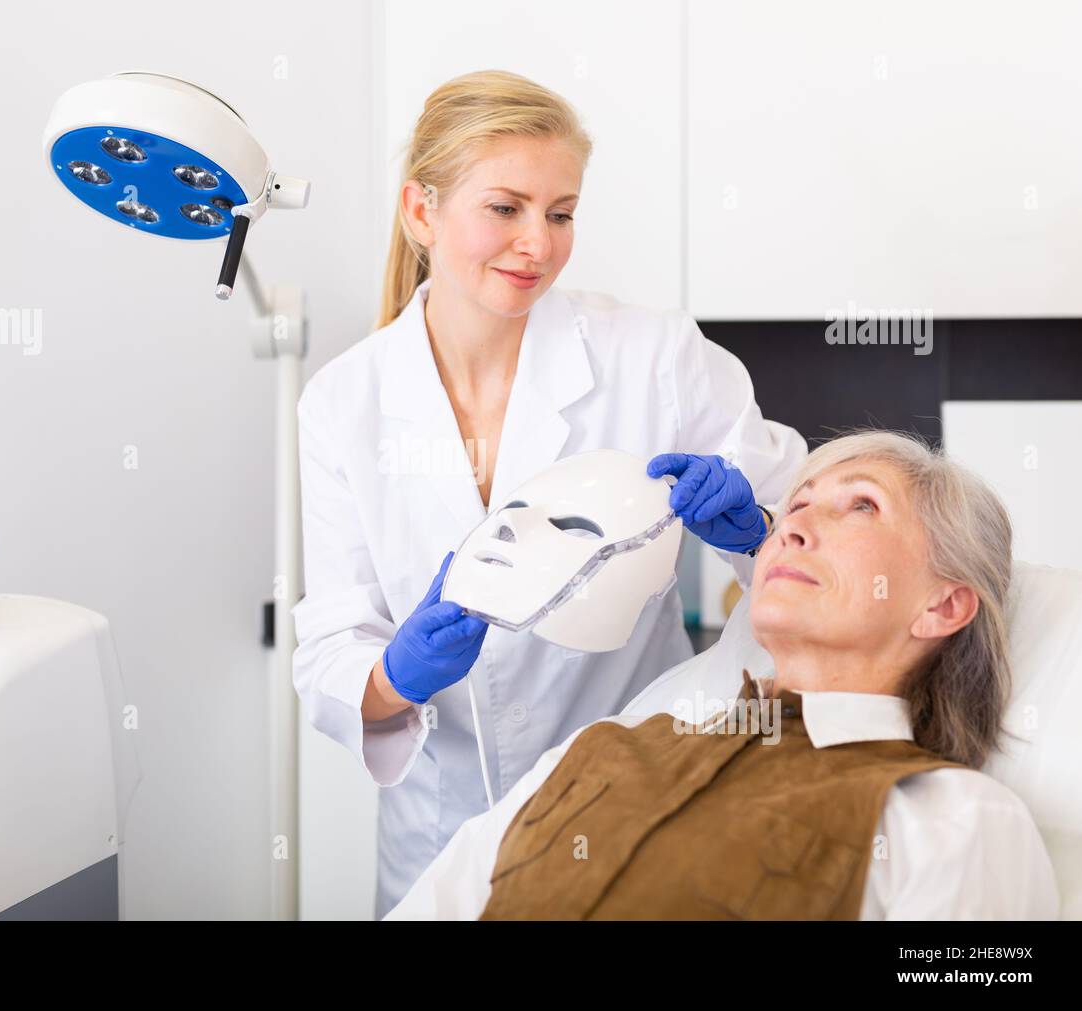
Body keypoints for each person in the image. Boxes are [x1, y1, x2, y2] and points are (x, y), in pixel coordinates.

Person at [292, 69, 807, 916]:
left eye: (560, 213)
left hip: (633, 806)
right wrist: (395, 673)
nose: (539, 243)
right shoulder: (344, 403)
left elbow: (808, 533)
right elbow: (331, 649)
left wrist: (755, 527)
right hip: (438, 835)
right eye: (506, 208)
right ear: (421, 211)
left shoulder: (653, 356)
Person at [385, 432, 1059, 920]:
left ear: (943, 604)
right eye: (795, 503)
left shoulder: (956, 822)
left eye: (860, 506)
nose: (792, 526)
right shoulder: (595, 752)